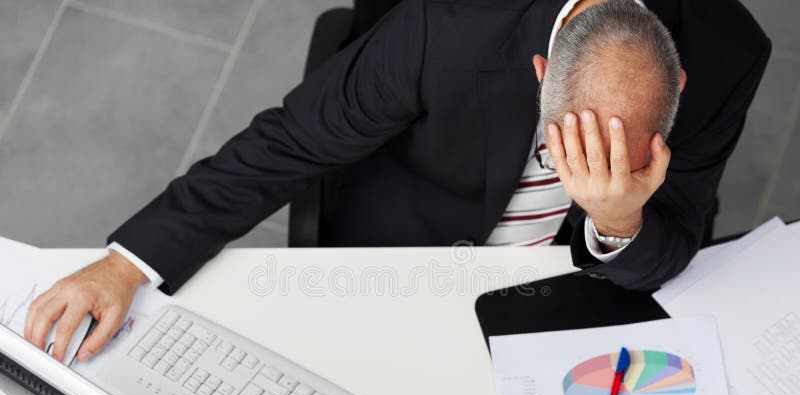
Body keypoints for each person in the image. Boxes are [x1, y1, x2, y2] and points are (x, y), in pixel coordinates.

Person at [24, 0, 770, 362]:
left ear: (678, 89)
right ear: (541, 74)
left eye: (622, 158)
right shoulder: (449, 26)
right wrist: (127, 264)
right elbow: (288, 141)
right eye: (566, 150)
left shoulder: (729, 55)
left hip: (569, 304)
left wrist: (619, 220)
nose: (586, 172)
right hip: (408, 258)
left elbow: (678, 236)